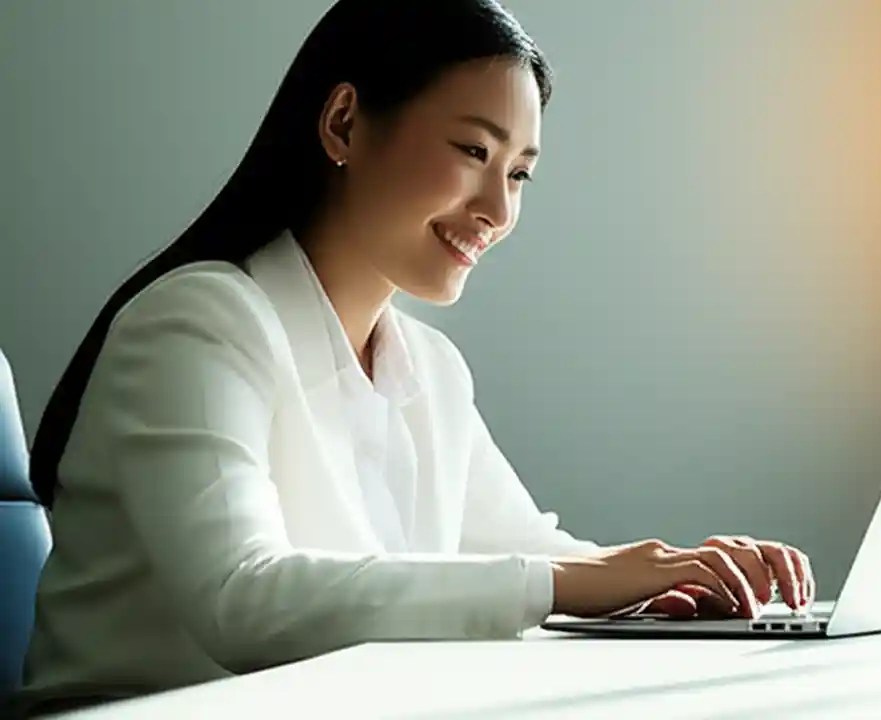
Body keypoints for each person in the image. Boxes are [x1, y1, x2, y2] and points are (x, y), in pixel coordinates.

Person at [13, 0, 814, 714]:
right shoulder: (198, 318)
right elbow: (242, 599)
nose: (498, 210)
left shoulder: (428, 367)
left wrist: (679, 578)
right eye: (472, 151)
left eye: (521, 173)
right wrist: (578, 582)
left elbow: (531, 557)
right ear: (343, 123)